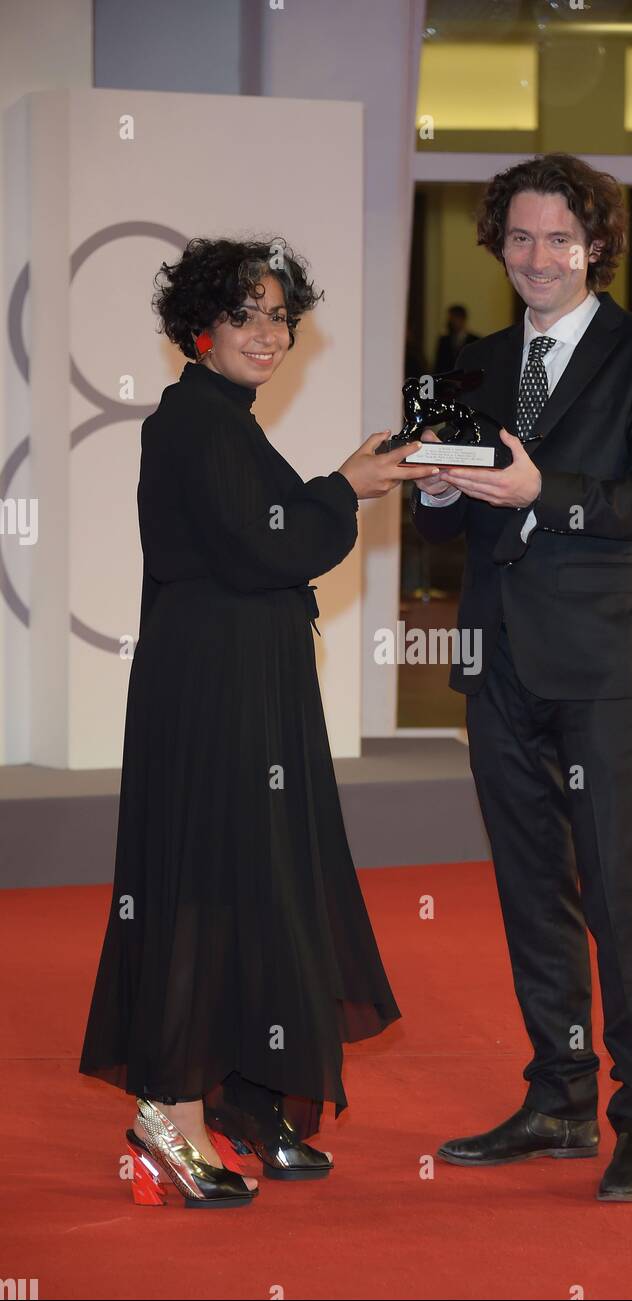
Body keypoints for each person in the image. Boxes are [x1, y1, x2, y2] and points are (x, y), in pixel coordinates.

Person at [78, 236, 437, 1210]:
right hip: (212, 696)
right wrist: (346, 488)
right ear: (199, 327)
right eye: (246, 314)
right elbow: (255, 546)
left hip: (248, 687)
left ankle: (243, 1098)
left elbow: (263, 535)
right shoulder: (192, 420)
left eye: (280, 315)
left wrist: (337, 485)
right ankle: (169, 1108)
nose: (268, 333)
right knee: (204, 883)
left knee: (260, 881)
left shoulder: (225, 423)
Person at [411, 153, 632, 1203]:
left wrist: (545, 490)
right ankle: (561, 1095)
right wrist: (433, 490)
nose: (538, 258)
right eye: (521, 238)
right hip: (495, 663)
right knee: (532, 890)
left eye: (560, 240)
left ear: (597, 247)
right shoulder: (467, 362)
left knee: (618, 895)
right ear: (500, 244)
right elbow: (432, 504)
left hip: (601, 666)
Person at [433, 304, 480, 376]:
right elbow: (438, 366)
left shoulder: (475, 340)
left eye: (452, 318)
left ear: (462, 319)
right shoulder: (443, 341)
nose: (449, 322)